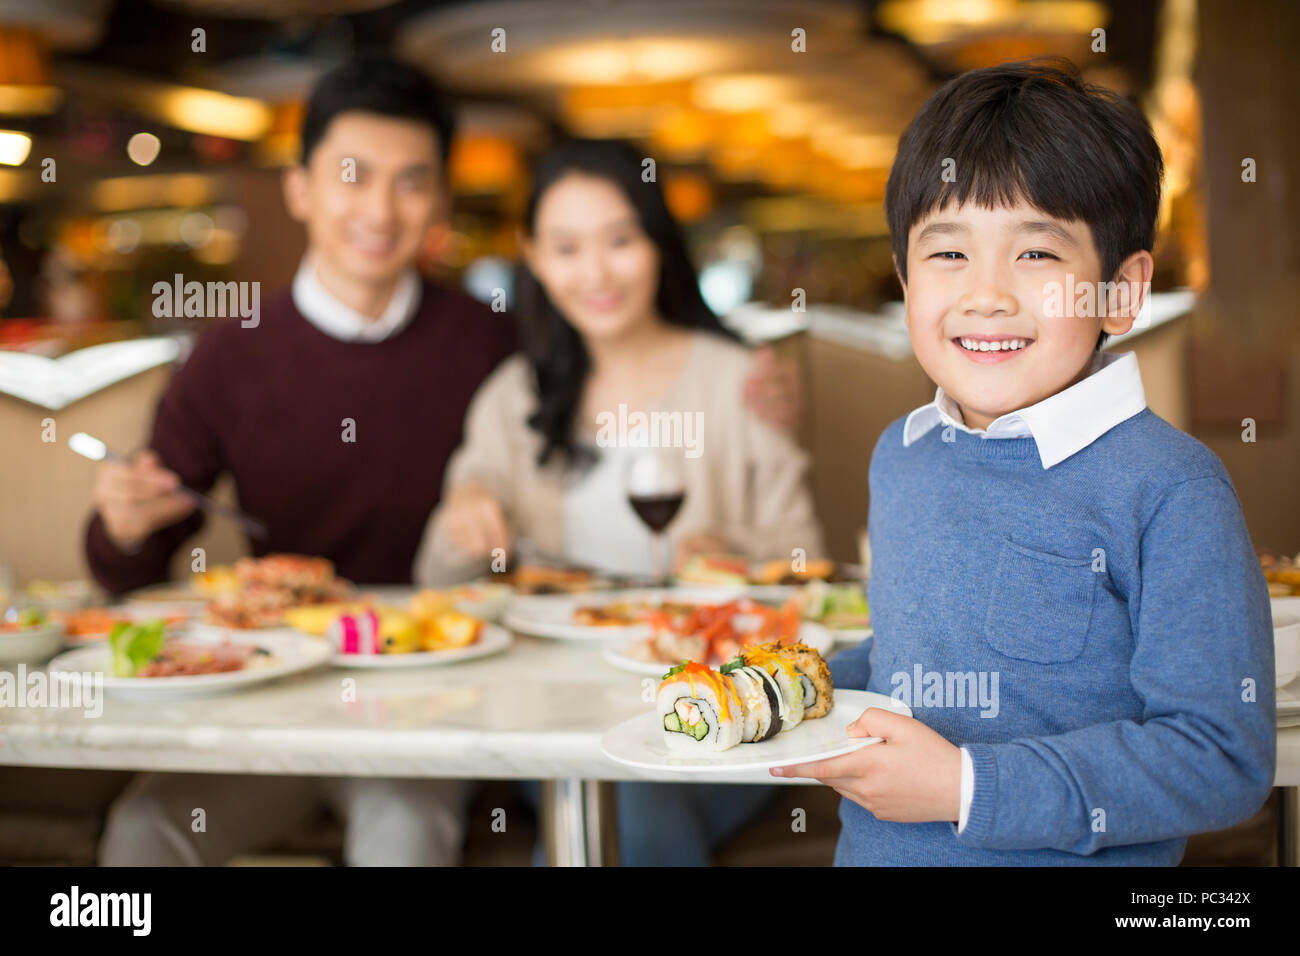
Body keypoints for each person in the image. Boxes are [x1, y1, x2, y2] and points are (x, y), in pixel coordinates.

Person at [775, 59, 1276, 864]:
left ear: (1119, 291)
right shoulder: (901, 457)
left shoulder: (1172, 488)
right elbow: (917, 657)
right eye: (948, 255)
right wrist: (800, 688)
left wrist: (966, 787)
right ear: (904, 279)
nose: (987, 295)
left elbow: (1221, 757)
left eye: (1037, 255)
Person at [90, 56, 511, 866]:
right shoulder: (231, 351)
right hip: (274, 691)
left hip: (433, 697)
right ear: (300, 187)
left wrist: (749, 387)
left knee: (403, 840)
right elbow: (128, 568)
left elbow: (613, 402)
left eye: (411, 181)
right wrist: (123, 521)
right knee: (143, 834)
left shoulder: (491, 341)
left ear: (440, 200)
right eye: (354, 176)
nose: (381, 210)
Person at [414, 138, 826, 864]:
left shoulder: (740, 383)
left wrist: (733, 564)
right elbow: (436, 586)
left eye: (619, 240)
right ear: (534, 257)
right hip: (558, 707)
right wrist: (464, 520)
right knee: (617, 794)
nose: (596, 272)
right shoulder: (515, 397)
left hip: (724, 697)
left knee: (629, 807)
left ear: (658, 245)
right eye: (567, 247)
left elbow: (810, 572)